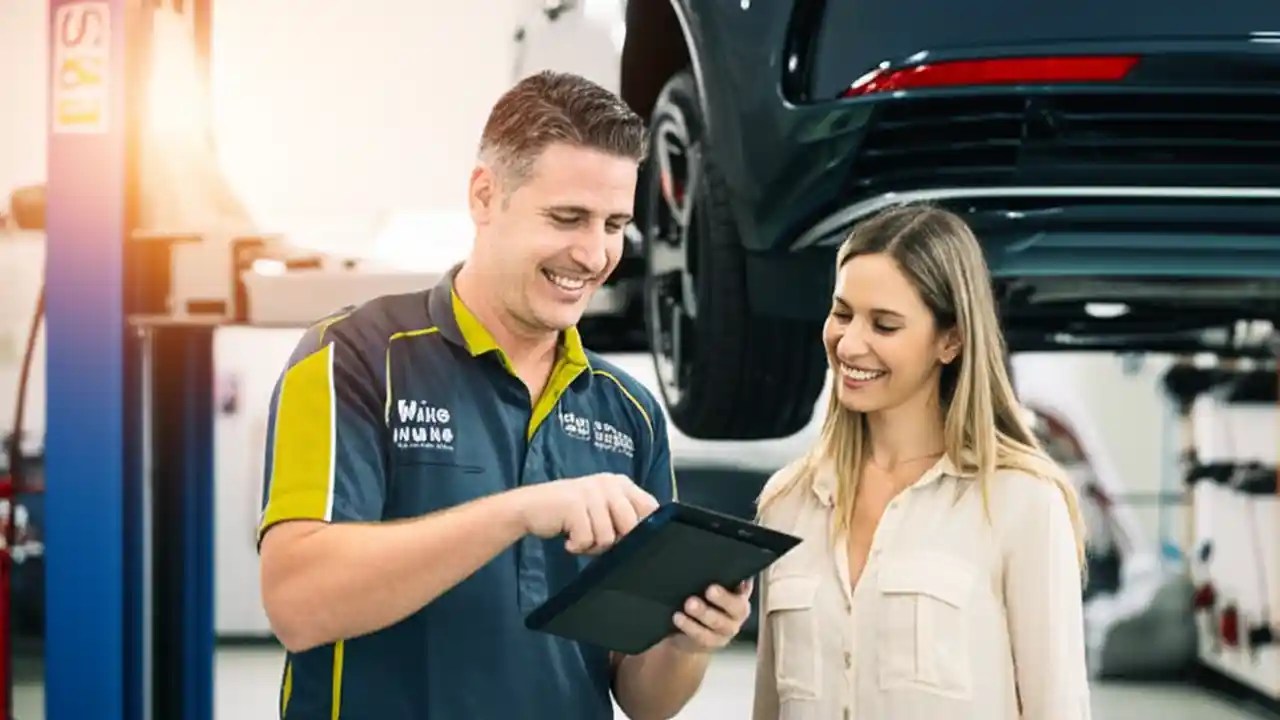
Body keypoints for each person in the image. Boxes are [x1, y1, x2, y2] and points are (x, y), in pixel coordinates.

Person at [257, 70, 752, 720]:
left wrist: (689, 642)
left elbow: (642, 698)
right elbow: (298, 604)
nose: (594, 254)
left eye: (614, 224)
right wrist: (519, 511)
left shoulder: (629, 413)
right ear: (485, 195)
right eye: (567, 218)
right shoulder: (354, 357)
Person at [751, 204, 1091, 720]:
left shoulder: (1023, 503)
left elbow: (1057, 709)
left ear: (950, 340)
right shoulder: (787, 503)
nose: (850, 343)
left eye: (884, 325)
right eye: (842, 314)